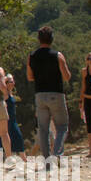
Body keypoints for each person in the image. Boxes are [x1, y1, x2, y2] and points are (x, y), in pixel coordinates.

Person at [26, 25, 71, 160]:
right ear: (52, 38)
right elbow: (67, 76)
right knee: (62, 126)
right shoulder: (57, 55)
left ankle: (46, 159)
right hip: (56, 93)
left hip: (40, 94)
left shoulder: (32, 56)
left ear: (39, 39)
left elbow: (29, 77)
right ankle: (57, 153)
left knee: (43, 129)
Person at [3, 74, 26, 158]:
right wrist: (4, 80)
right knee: (16, 137)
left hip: (13, 120)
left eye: (12, 81)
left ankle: (22, 158)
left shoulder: (10, 92)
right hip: (7, 120)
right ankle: (22, 158)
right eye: (9, 82)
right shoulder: (5, 93)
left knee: (18, 138)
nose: (12, 83)